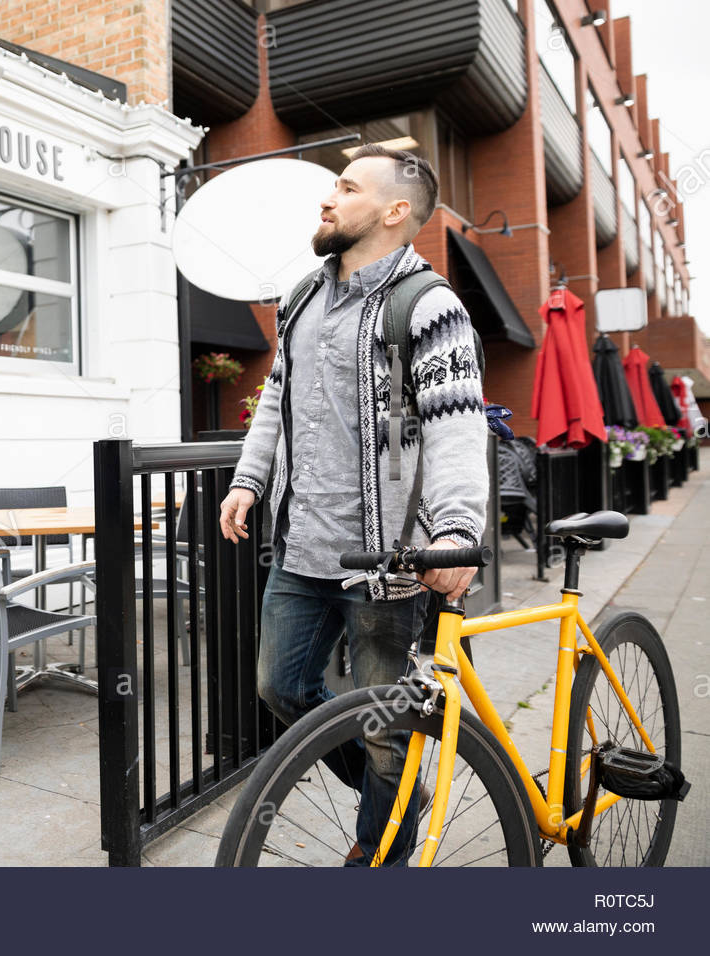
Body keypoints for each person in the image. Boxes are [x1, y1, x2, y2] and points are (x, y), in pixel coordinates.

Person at [217, 144, 489, 865]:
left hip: (387, 561)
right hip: (302, 546)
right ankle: (396, 796)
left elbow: (457, 426)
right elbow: (276, 399)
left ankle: (379, 851)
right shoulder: (301, 296)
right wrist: (249, 479)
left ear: (396, 211)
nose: (327, 199)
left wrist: (459, 528)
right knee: (280, 689)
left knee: (385, 723)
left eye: (345, 187)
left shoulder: (429, 306)